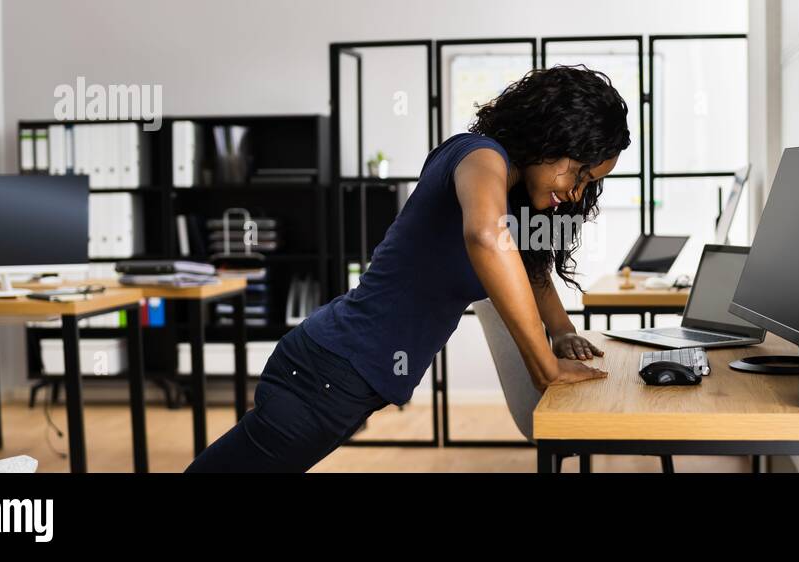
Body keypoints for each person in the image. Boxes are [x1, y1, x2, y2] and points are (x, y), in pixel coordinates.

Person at [186, 65, 630, 472]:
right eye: (579, 174)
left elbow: (530, 268)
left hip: (347, 380)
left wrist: (562, 330)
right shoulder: (477, 157)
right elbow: (486, 238)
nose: (576, 193)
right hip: (326, 371)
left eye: (589, 184)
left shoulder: (511, 195)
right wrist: (545, 369)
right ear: (551, 138)